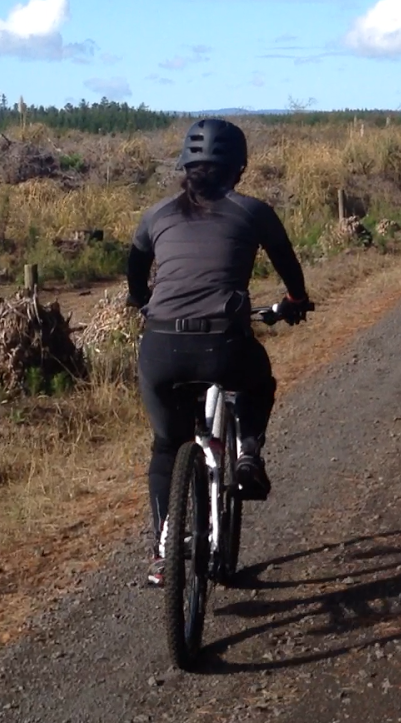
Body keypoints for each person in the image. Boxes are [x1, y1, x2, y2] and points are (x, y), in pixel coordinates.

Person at [127, 118, 312, 586]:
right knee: (257, 379)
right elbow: (289, 266)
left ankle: (162, 550)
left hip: (161, 346)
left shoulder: (155, 215)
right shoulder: (253, 211)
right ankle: (247, 451)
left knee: (167, 446)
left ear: (184, 166)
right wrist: (294, 301)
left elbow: (135, 275)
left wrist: (144, 302)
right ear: (239, 168)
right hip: (223, 343)